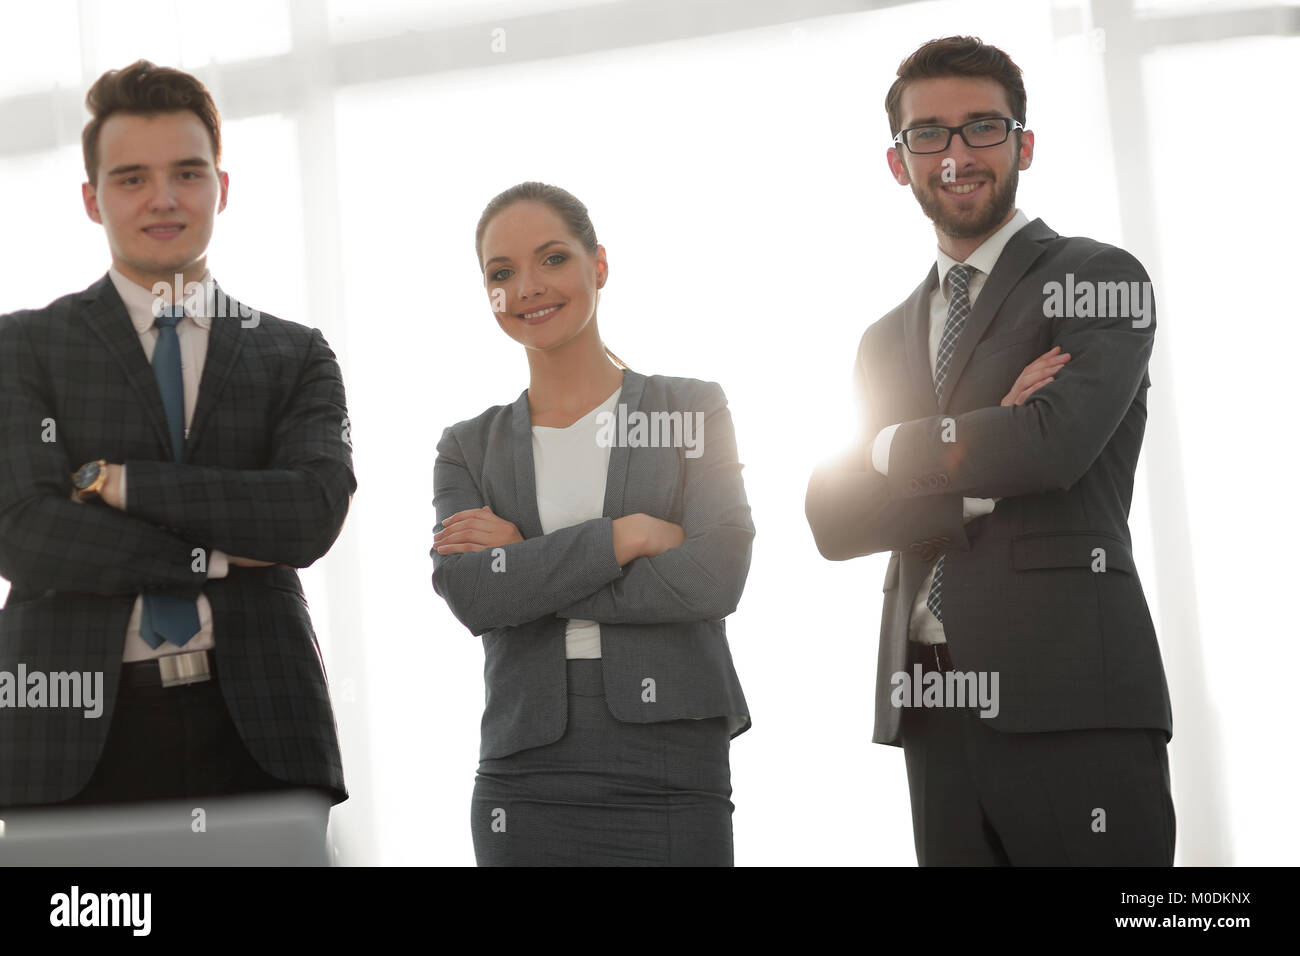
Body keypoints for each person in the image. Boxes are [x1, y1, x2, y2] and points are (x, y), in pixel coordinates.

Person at [804, 36, 1174, 865]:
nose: (957, 153)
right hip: (930, 702)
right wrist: (981, 440)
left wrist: (895, 448)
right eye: (928, 134)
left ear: (1024, 144)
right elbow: (832, 517)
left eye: (982, 127)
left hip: (1072, 695)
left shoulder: (1097, 278)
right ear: (899, 162)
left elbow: (1052, 448)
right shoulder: (882, 339)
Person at [0, 60, 354, 861]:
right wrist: (227, 549)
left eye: (186, 173)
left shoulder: (293, 354)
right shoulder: (21, 348)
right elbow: (23, 530)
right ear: (93, 199)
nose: (163, 198)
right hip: (68, 742)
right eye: (131, 178)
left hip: (261, 732)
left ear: (221, 187)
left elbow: (308, 515)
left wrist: (120, 488)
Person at [431, 182, 752, 866]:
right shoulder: (467, 445)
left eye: (551, 259)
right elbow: (475, 595)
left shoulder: (690, 408)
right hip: (524, 773)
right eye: (501, 273)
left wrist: (529, 560)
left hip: (670, 757)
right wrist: (625, 538)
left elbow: (715, 577)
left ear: (597, 266)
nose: (526, 288)